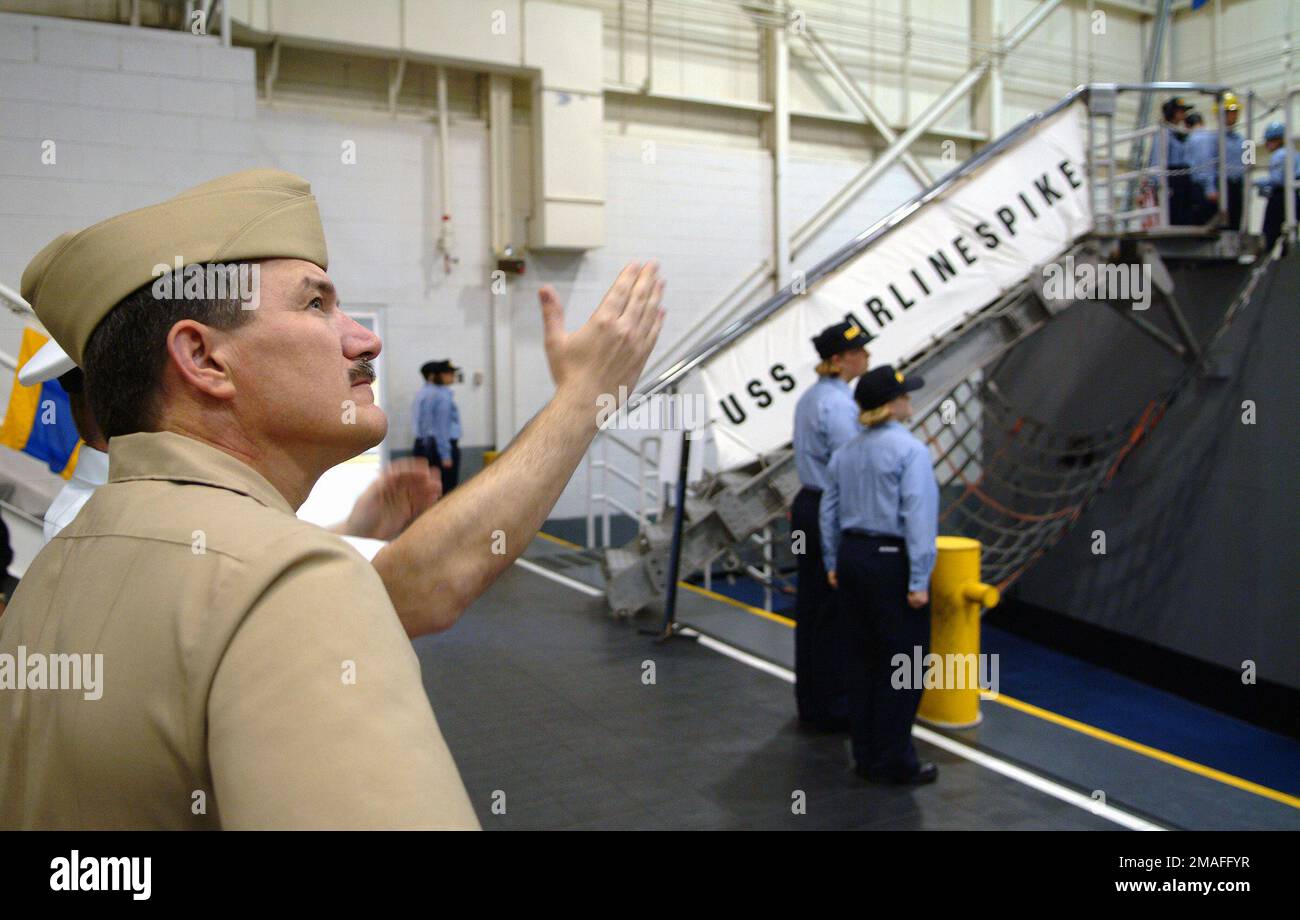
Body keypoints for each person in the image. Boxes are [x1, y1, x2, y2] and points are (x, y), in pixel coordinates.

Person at [0, 168, 665, 829]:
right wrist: (585, 395)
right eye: (315, 304)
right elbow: (296, 600)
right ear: (203, 359)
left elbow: (408, 590)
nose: (365, 339)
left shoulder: (50, 578)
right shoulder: (283, 582)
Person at [821, 365, 939, 786]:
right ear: (891, 405)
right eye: (905, 395)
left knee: (862, 661)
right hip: (892, 561)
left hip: (853, 556)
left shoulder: (845, 453)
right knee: (902, 664)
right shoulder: (911, 452)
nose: (910, 400)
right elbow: (918, 517)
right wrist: (919, 580)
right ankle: (895, 761)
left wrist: (833, 562)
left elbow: (829, 511)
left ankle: (866, 754)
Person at [790, 321, 868, 730]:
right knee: (832, 611)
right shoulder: (839, 405)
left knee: (812, 607)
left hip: (807, 504)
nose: (866, 358)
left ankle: (813, 701)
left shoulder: (811, 398)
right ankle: (832, 707)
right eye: (859, 352)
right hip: (827, 510)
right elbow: (849, 463)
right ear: (838, 360)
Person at [1186, 91, 1246, 229]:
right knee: (1220, 223)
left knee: (1236, 223)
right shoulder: (1212, 138)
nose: (1233, 115)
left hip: (1237, 186)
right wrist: (1210, 188)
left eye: (1235, 111)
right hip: (1222, 184)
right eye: (1229, 112)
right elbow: (1208, 164)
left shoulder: (1244, 140)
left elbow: (1249, 165)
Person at [413, 359, 462, 491]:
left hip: (424, 445)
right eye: (447, 373)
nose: (451, 376)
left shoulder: (423, 393)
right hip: (439, 448)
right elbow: (441, 428)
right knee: (445, 490)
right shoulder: (441, 396)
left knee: (428, 490)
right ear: (434, 376)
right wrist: (445, 454)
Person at [1254, 120, 1299, 250]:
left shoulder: (1279, 155)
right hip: (1294, 197)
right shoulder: (1294, 153)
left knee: (1270, 232)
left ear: (1276, 140)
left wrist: (1256, 182)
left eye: (1268, 141)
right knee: (1291, 231)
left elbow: (1277, 180)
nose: (1267, 144)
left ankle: (1265, 259)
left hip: (1280, 197)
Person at [1153, 96, 1197, 225]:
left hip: (1182, 177)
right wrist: (1157, 185)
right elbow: (1157, 159)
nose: (1184, 115)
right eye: (1180, 111)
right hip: (1171, 178)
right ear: (1172, 113)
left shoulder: (1179, 133)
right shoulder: (1164, 133)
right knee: (1173, 216)